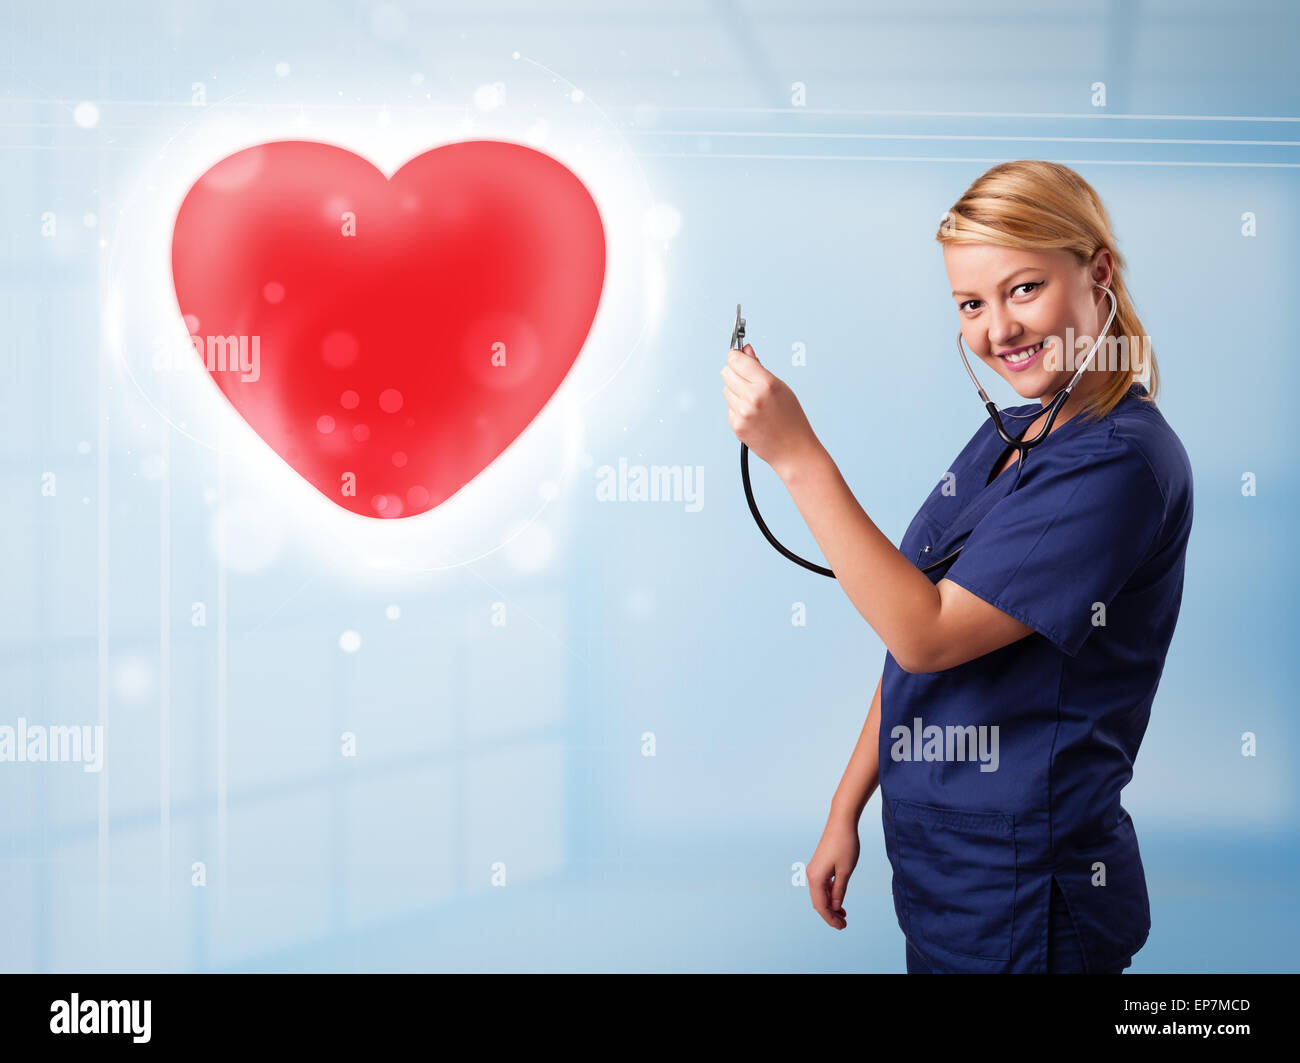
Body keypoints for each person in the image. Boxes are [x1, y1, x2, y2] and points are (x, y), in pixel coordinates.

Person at [720, 160, 1193, 974]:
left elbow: (924, 635)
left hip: (1027, 892)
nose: (997, 329)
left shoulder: (1118, 464)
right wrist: (847, 805)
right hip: (944, 871)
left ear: (1099, 274)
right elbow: (914, 607)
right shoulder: (1009, 434)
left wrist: (796, 457)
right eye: (971, 304)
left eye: (1023, 289)